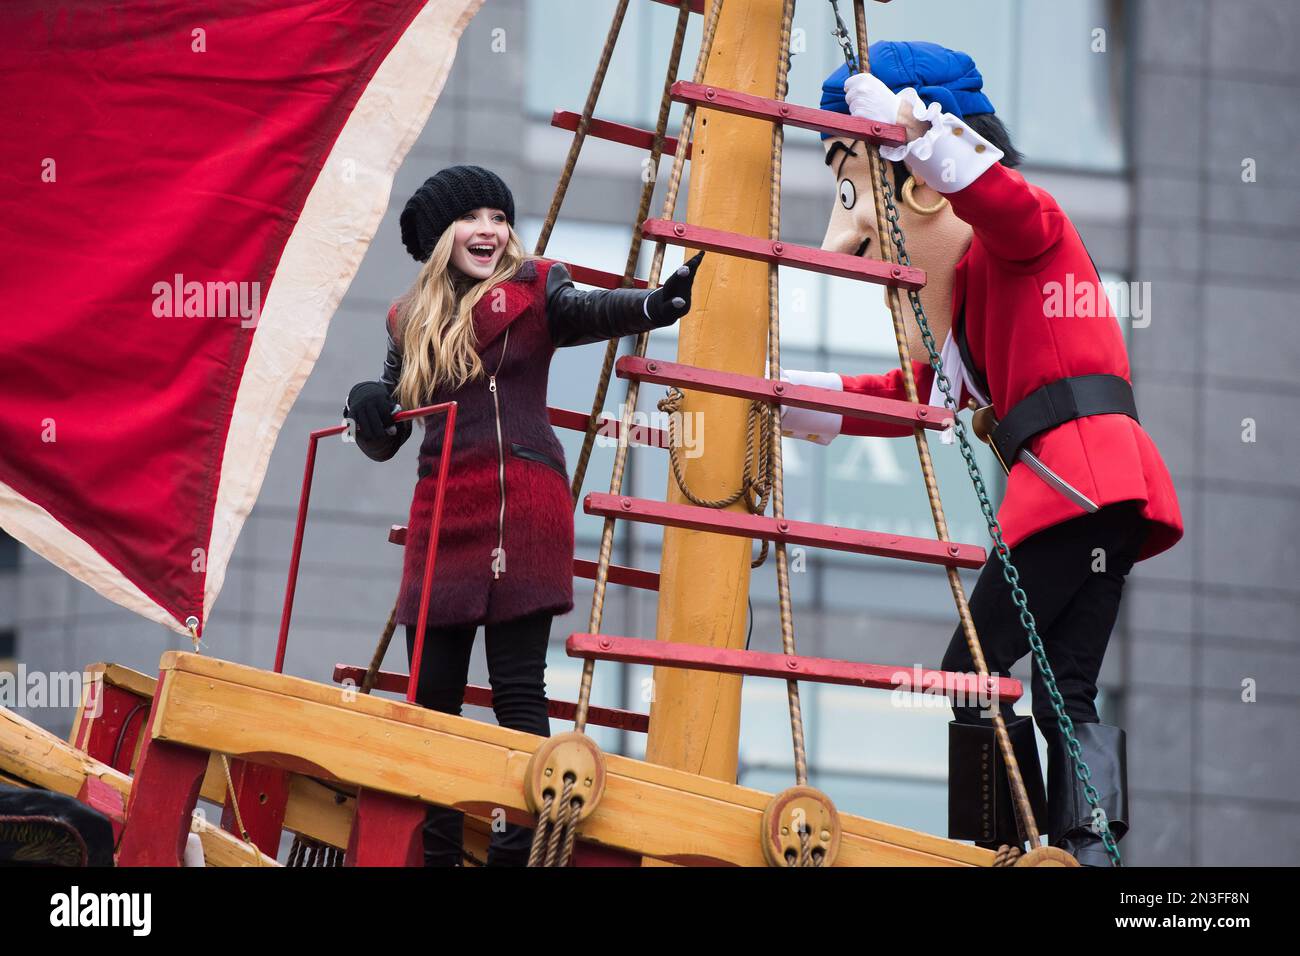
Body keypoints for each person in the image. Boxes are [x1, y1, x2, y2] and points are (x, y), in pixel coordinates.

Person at [779, 44, 1183, 864]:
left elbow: (998, 200)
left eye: (856, 189)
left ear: (925, 181)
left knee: (969, 665)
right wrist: (793, 396)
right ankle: (1087, 850)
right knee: (1063, 688)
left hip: (1074, 481)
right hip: (1107, 489)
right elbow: (915, 396)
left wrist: (914, 131)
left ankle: (1012, 841)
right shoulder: (977, 303)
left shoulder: (1031, 237)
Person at [345, 165, 703, 865]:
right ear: (443, 235)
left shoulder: (538, 287)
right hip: (442, 507)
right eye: (473, 218)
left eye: (499, 216)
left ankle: (520, 855)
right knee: (431, 701)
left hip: (522, 506)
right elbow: (386, 434)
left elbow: (589, 311)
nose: (489, 230)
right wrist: (366, 406)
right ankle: (438, 857)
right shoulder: (407, 316)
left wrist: (655, 306)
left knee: (516, 689)